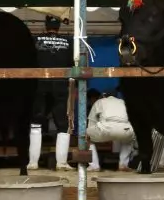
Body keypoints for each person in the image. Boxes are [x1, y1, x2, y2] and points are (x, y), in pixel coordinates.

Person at [28, 15, 75, 171]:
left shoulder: (35, 40)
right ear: (59, 27)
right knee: (62, 124)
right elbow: (73, 63)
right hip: (60, 85)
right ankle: (61, 163)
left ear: (45, 25)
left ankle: (33, 162)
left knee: (36, 123)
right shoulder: (69, 42)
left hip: (39, 85)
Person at [86, 91, 135, 172]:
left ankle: (94, 166)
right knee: (129, 139)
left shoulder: (100, 101)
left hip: (106, 128)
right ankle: (123, 165)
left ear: (104, 96)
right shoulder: (122, 102)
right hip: (125, 129)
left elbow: (92, 121)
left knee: (86, 136)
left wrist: (94, 135)